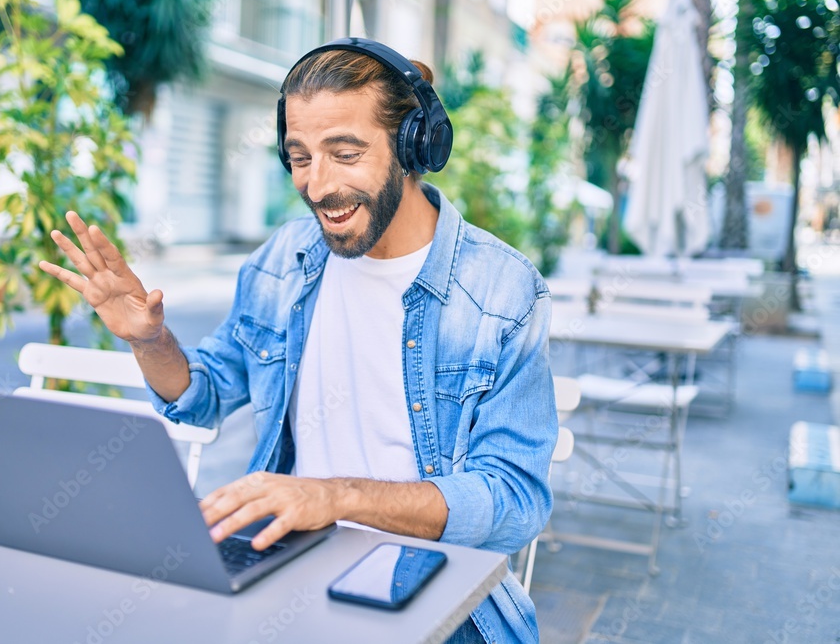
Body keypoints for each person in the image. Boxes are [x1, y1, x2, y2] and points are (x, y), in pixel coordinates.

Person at [40, 38, 558, 644]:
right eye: (300, 156)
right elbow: (203, 393)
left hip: (443, 605)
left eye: (345, 153)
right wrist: (149, 340)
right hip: (290, 578)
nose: (317, 186)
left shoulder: (503, 292)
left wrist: (333, 497)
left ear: (416, 146)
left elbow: (514, 501)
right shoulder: (285, 260)